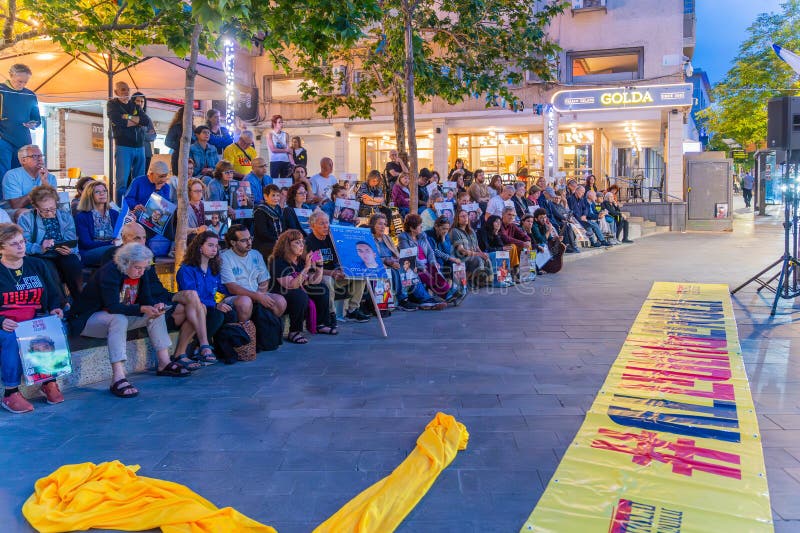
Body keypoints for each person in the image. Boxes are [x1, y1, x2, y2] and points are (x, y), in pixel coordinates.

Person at [73, 243, 189, 399]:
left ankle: (164, 362)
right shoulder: (110, 272)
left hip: (116, 318)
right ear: (125, 263)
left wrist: (154, 306)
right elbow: (113, 306)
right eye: (137, 268)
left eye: (144, 268)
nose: (141, 272)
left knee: (156, 314)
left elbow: (146, 299)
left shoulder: (142, 273)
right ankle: (118, 377)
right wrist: (142, 309)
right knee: (119, 319)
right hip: (89, 319)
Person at [100, 222, 218, 369]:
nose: (142, 241)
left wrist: (166, 296)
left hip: (161, 296)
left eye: (144, 238)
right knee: (199, 308)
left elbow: (155, 283)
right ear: (124, 239)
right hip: (143, 302)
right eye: (137, 238)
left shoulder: (147, 254)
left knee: (193, 296)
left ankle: (202, 345)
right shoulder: (113, 255)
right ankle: (184, 353)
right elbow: (120, 288)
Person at [0, 224, 64, 413]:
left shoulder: (37, 264)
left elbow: (53, 292)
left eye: (22, 242)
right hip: (7, 323)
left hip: (34, 319)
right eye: (14, 244)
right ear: (1, 248)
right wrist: (1, 321)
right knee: (11, 338)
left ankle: (48, 381)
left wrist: (55, 308)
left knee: (52, 329)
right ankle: (10, 393)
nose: (21, 246)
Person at [268, 229, 336, 343]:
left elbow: (314, 282)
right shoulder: (278, 261)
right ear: (287, 245)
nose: (301, 245)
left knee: (322, 289)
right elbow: (291, 285)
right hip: (281, 293)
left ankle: (320, 324)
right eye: (297, 242)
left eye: (302, 242)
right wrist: (306, 268)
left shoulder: (300, 260)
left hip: (298, 289)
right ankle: (294, 332)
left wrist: (320, 266)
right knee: (299, 295)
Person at [176, 231, 236, 356]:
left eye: (216, 246)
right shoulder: (186, 270)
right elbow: (192, 297)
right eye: (210, 245)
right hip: (193, 309)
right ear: (200, 247)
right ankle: (198, 347)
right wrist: (215, 305)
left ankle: (220, 349)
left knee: (231, 311)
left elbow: (223, 288)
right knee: (217, 315)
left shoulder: (213, 269)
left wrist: (239, 294)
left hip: (210, 307)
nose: (214, 249)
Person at [305, 211, 371, 324]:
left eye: (327, 222)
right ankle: (331, 313)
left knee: (360, 274)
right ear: (312, 226)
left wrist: (343, 269)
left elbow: (342, 257)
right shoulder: (310, 242)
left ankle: (353, 310)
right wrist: (332, 273)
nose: (326, 226)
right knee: (327, 280)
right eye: (321, 223)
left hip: (336, 274)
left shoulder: (332, 238)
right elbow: (315, 268)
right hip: (319, 276)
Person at [369, 213, 445, 311]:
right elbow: (372, 257)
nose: (383, 226)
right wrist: (389, 262)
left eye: (384, 224)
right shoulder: (370, 239)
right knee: (398, 271)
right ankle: (403, 300)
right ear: (373, 225)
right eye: (380, 224)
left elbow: (396, 254)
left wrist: (398, 261)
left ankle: (425, 299)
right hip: (382, 265)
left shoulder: (386, 238)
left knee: (410, 268)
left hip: (393, 262)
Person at [18, 185, 82, 299]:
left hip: (61, 253)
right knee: (48, 268)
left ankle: (80, 300)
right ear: (36, 207)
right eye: (45, 210)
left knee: (72, 261)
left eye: (53, 208)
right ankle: (61, 304)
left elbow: (71, 239)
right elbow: (23, 245)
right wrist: (40, 248)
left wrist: (70, 249)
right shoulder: (26, 218)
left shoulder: (65, 216)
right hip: (40, 255)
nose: (50, 213)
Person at [220, 224, 286, 323]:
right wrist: (257, 296)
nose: (249, 242)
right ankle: (244, 329)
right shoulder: (224, 258)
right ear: (233, 242)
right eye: (244, 240)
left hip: (257, 293)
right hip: (234, 297)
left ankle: (270, 327)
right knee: (245, 302)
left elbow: (264, 280)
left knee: (280, 301)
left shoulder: (256, 254)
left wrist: (260, 294)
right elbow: (232, 288)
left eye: (250, 238)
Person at [397, 213, 465, 304]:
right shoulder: (403, 238)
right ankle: (447, 295)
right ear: (412, 228)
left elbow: (430, 251)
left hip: (427, 263)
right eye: (419, 226)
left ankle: (448, 293)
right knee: (428, 276)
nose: (421, 227)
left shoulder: (422, 235)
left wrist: (433, 262)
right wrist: (422, 267)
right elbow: (409, 257)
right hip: (416, 265)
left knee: (436, 273)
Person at [107, 81, 151, 204]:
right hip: (123, 146)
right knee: (122, 181)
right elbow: (119, 121)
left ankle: (138, 207)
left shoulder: (135, 106)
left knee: (140, 180)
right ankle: (121, 208)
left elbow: (145, 121)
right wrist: (136, 121)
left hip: (140, 147)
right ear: (116, 92)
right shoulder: (112, 104)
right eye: (122, 89)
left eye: (127, 89)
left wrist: (128, 117)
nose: (126, 92)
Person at [0, 64, 41, 180]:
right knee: (3, 173)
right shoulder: (1, 90)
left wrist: (33, 123)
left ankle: (18, 192)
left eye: (25, 82)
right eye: (19, 81)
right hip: (3, 139)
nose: (22, 85)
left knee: (22, 173)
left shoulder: (30, 95)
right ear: (11, 76)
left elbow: (37, 118)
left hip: (23, 141)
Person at [75, 180, 119, 266]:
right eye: (97, 192)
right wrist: (111, 243)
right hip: (90, 251)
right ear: (89, 195)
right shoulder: (82, 216)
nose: (102, 194)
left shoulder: (115, 214)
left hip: (114, 248)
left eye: (104, 191)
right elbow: (87, 244)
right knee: (116, 251)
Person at [2, 144, 57, 211]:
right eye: (34, 156)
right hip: (17, 211)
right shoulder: (12, 175)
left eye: (41, 156)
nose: (40, 159)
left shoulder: (50, 177)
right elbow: (16, 205)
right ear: (23, 160)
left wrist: (45, 182)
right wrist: (40, 189)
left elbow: (53, 203)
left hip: (43, 211)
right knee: (23, 212)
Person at [450, 208, 490, 286]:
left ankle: (481, 280)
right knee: (477, 259)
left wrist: (483, 254)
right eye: (462, 216)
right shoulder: (455, 231)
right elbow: (462, 250)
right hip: (461, 258)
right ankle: (466, 281)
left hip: (472, 255)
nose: (465, 218)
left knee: (487, 256)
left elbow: (477, 247)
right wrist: (478, 254)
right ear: (457, 219)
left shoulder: (471, 231)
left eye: (466, 216)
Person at [253, 184, 285, 258]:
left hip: (278, 241)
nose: (276, 198)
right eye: (273, 195)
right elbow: (262, 232)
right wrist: (276, 240)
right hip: (264, 243)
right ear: (265, 196)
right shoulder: (260, 210)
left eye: (278, 195)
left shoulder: (278, 209)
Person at [499, 206, 532, 271]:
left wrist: (528, 241)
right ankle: (514, 270)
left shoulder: (512, 225)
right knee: (512, 246)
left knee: (528, 245)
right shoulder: (499, 224)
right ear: (503, 215)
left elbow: (524, 236)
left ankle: (525, 270)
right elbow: (506, 238)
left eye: (513, 215)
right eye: (509, 214)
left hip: (509, 246)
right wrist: (522, 243)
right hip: (500, 248)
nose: (511, 217)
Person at [132, 92, 157, 174]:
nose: (140, 103)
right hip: (132, 152)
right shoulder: (129, 116)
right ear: (132, 101)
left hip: (146, 154)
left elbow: (153, 136)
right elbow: (130, 134)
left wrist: (140, 133)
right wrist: (146, 132)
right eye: (137, 101)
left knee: (142, 177)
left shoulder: (147, 119)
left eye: (142, 101)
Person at [165, 107, 191, 175]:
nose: (192, 117)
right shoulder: (176, 127)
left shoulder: (192, 128)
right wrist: (181, 146)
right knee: (178, 177)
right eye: (190, 115)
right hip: (178, 157)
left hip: (190, 156)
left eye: (193, 115)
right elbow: (167, 141)